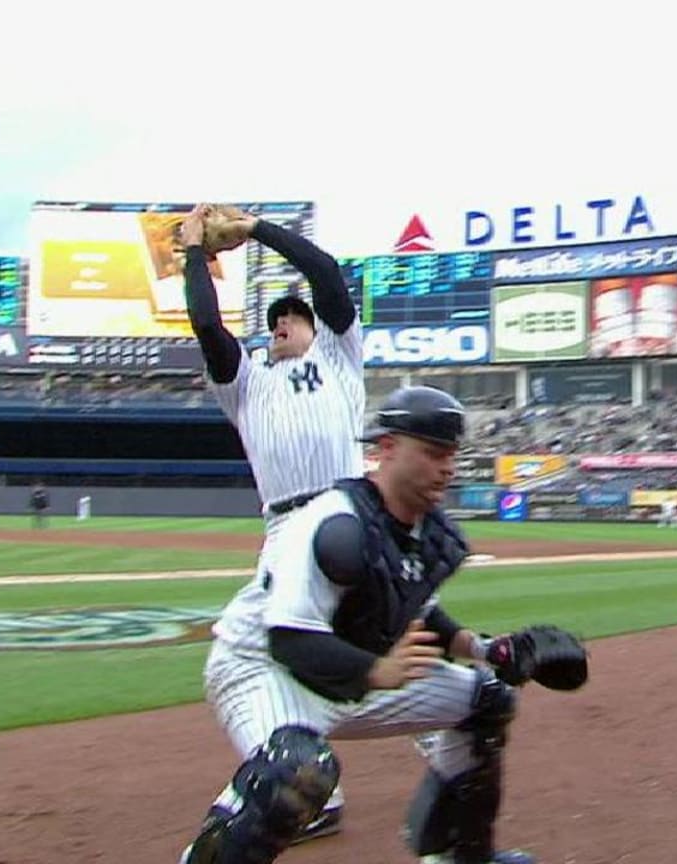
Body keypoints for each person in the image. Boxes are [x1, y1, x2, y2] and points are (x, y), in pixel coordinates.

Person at [179, 386, 549, 864]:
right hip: (262, 670)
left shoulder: (428, 532)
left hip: (359, 670)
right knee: (297, 771)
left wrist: (488, 650)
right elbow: (289, 639)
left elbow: (420, 615)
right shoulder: (331, 522)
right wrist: (378, 672)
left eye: (452, 455)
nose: (448, 468)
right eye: (434, 453)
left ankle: (461, 854)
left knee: (488, 701)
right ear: (387, 449)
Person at [179, 203, 365, 841]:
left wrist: (255, 228)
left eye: (294, 319)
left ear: (318, 330)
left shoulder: (341, 358)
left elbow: (325, 272)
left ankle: (311, 780)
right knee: (284, 662)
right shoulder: (249, 384)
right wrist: (194, 253)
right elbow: (206, 323)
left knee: (240, 661)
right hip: (286, 534)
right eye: (275, 321)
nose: (283, 325)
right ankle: (316, 782)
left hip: (346, 511)